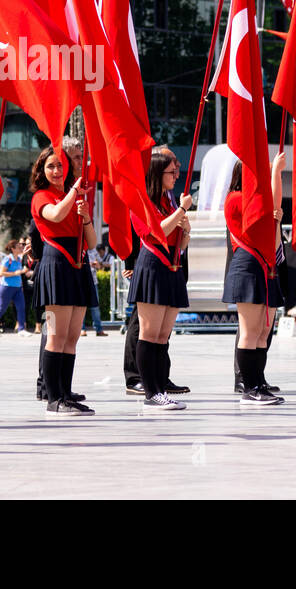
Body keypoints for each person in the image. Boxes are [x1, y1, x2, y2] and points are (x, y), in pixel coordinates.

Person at [29, 146, 97, 416]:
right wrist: (73, 194)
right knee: (55, 336)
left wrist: (86, 217)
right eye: (51, 166)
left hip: (78, 267)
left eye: (60, 166)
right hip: (55, 267)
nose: (56, 171)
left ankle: (66, 394)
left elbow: (91, 242)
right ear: (42, 170)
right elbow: (54, 215)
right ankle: (53, 398)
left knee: (72, 337)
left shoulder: (74, 198)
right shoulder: (41, 196)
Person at [125, 147, 192, 411]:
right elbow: (157, 232)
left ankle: (161, 387)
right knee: (149, 333)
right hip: (152, 267)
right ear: (157, 173)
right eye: (171, 171)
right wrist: (180, 213)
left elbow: (178, 240)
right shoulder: (143, 201)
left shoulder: (170, 201)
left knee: (163, 335)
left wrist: (186, 231)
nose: (176, 175)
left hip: (172, 269)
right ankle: (151, 392)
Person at [222, 153, 288, 405]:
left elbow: (271, 225)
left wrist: (277, 221)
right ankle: (249, 387)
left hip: (264, 267)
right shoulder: (236, 199)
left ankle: (258, 382)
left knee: (263, 332)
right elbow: (267, 207)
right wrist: (276, 174)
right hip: (247, 266)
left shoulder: (252, 200)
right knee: (250, 333)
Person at [0, 241, 28, 334]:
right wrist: (15, 273)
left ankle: (21, 329)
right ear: (13, 249)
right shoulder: (8, 259)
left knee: (21, 307)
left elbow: (20, 273)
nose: (20, 248)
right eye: (18, 247)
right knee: (2, 308)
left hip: (18, 287)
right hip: (6, 287)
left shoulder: (19, 259)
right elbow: (1, 272)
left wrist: (22, 275)